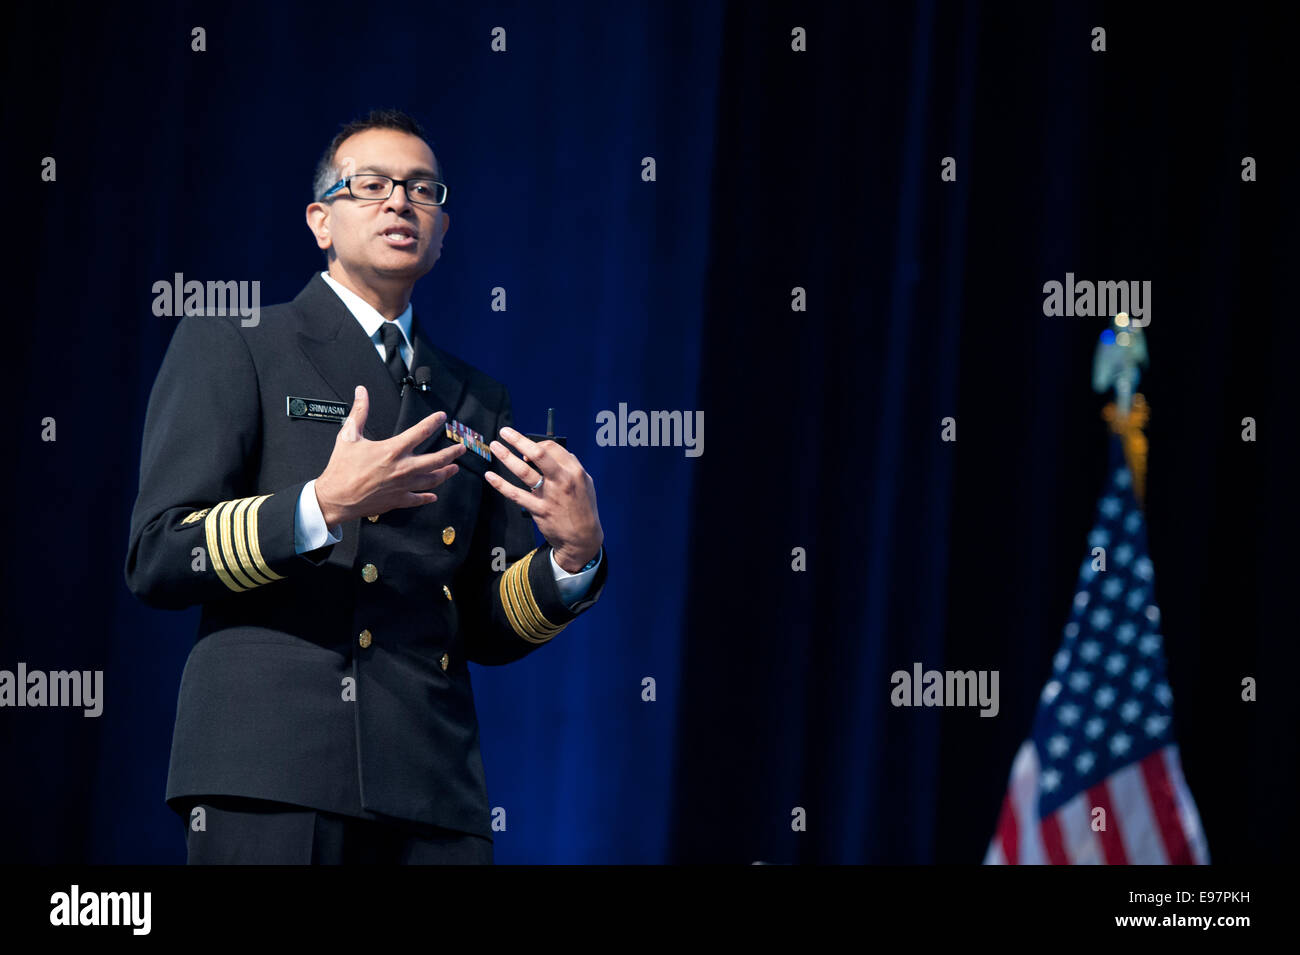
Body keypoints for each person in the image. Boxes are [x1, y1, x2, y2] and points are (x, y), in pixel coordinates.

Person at [124, 109, 607, 864]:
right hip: (273, 765)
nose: (399, 203)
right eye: (372, 185)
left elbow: (484, 623)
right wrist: (322, 506)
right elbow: (158, 553)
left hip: (431, 783)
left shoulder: (475, 398)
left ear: (443, 231)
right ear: (321, 219)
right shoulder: (239, 339)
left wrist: (574, 559)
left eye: (422, 190)